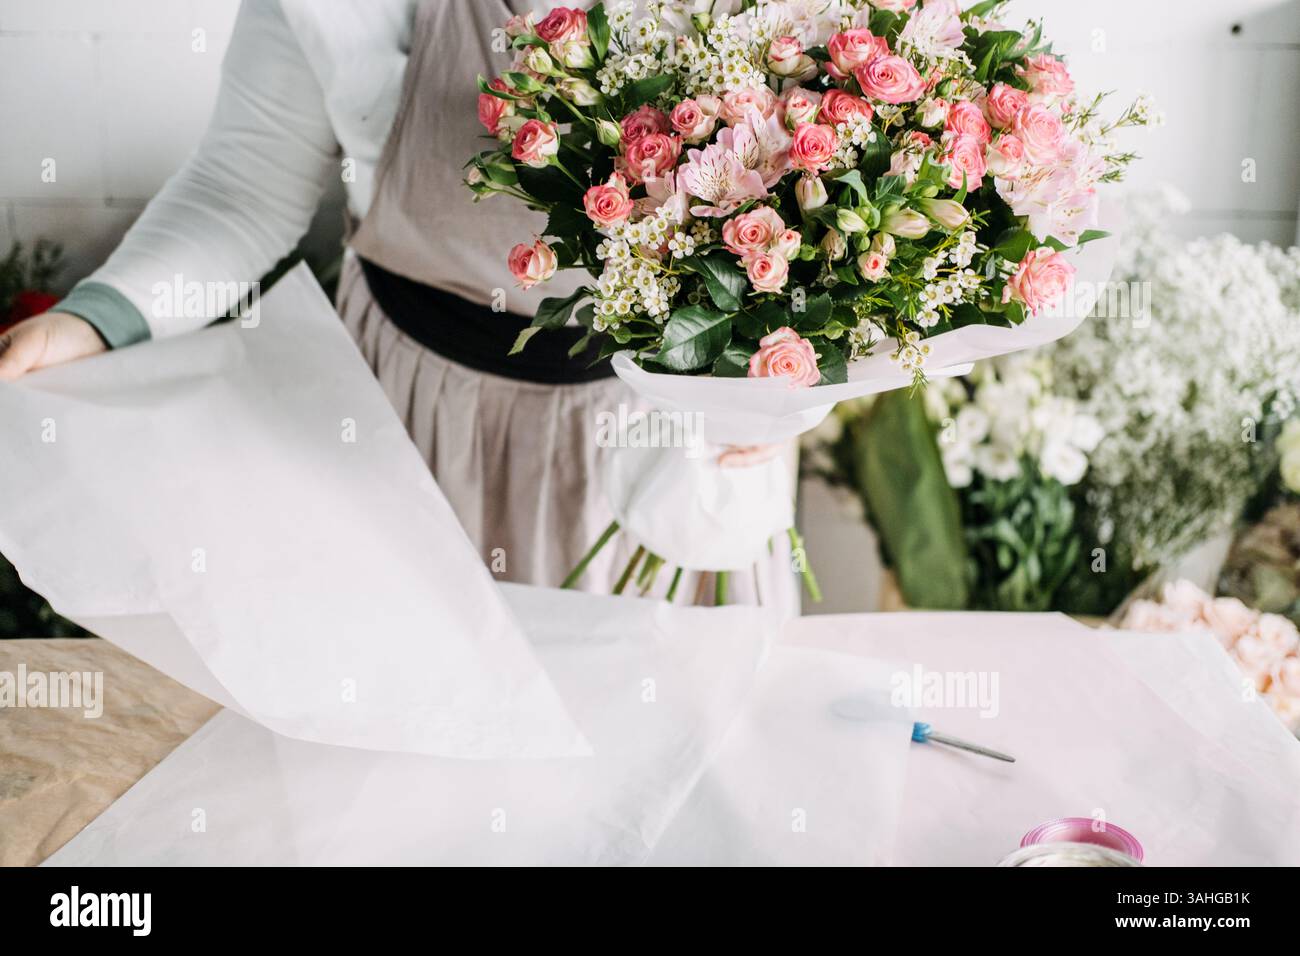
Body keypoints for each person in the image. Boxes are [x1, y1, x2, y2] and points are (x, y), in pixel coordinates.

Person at [0, 0, 796, 612]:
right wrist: (98, 317)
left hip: (670, 427)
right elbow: (238, 192)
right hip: (404, 416)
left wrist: (794, 374)